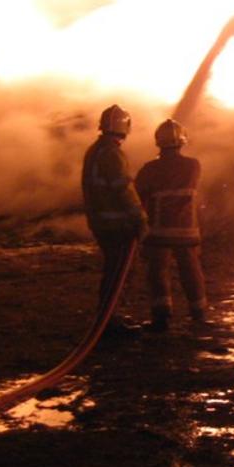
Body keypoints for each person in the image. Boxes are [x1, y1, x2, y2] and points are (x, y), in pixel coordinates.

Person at [134, 118, 208, 332]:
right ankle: (199, 314)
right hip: (187, 230)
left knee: (157, 270)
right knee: (191, 270)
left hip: (158, 230)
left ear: (158, 142)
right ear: (182, 142)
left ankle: (161, 316)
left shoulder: (150, 169)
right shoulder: (193, 165)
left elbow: (138, 195)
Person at [82, 104, 146, 335]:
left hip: (102, 222)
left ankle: (109, 317)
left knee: (114, 270)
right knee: (120, 272)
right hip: (116, 225)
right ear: (124, 127)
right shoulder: (111, 153)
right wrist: (139, 216)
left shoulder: (96, 150)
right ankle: (110, 320)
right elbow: (123, 188)